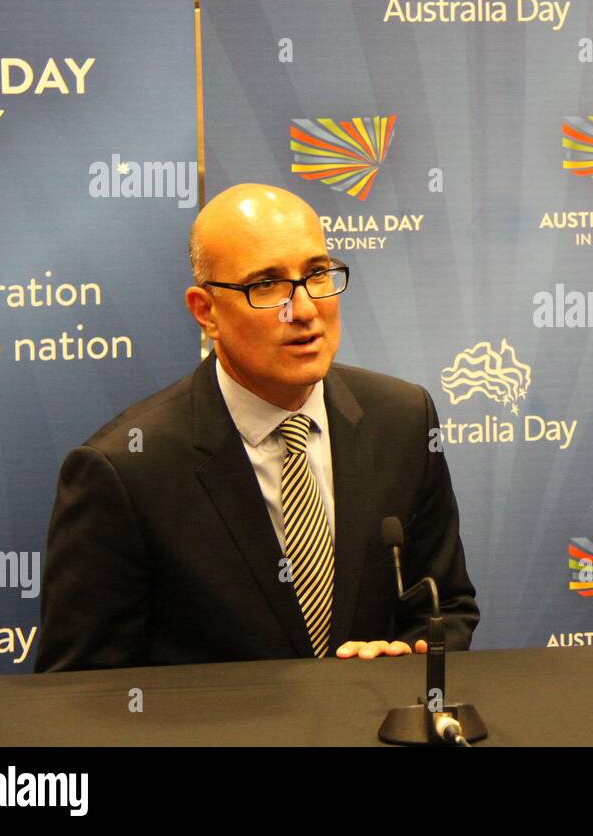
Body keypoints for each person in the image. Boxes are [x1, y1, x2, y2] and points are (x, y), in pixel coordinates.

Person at [35, 184, 478, 671]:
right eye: (266, 286)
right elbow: (80, 691)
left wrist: (404, 661)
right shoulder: (124, 470)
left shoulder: (403, 419)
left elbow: (445, 609)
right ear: (206, 312)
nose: (305, 310)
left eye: (316, 274)